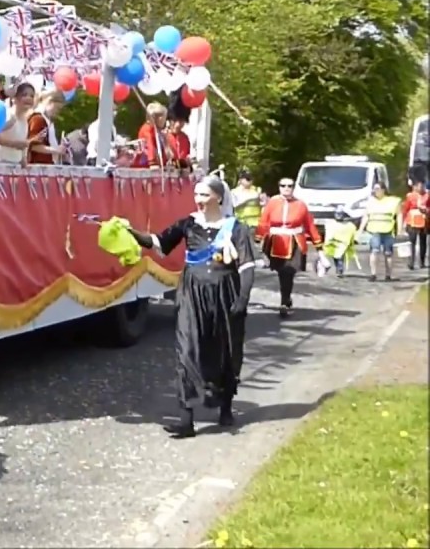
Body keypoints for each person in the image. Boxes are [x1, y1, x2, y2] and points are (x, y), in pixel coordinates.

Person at [120, 175, 256, 437]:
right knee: (187, 350)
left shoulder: (235, 228)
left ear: (218, 196)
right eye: (196, 195)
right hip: (191, 293)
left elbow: (247, 267)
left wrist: (242, 300)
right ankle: (186, 419)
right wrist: (131, 233)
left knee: (223, 348)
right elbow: (159, 242)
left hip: (224, 293)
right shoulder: (188, 224)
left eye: (204, 195)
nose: (199, 200)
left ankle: (225, 403)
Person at [256, 177, 323, 318]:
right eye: (283, 185)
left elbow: (310, 225)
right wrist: (258, 241)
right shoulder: (272, 203)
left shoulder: (301, 205)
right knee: (282, 272)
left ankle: (284, 301)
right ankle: (286, 297)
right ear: (279, 187)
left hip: (294, 243)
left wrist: (318, 246)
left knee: (288, 272)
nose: (286, 188)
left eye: (290, 186)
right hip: (276, 242)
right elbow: (263, 223)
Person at [358, 181, 402, 282]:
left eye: (378, 189)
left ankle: (388, 275)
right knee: (374, 252)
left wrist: (399, 229)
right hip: (374, 230)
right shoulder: (370, 201)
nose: (375, 191)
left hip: (388, 230)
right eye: (374, 189)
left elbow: (399, 215)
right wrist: (360, 229)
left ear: (383, 190)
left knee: (388, 253)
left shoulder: (393, 201)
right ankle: (373, 274)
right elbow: (366, 216)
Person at [0, 81, 35, 164]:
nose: (29, 98)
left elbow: (22, 142)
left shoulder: (25, 120)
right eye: (24, 95)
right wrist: (13, 144)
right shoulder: (7, 115)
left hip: (13, 165)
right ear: (14, 99)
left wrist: (23, 157)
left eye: (32, 96)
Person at [26, 88, 66, 165]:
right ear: (50, 102)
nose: (58, 111)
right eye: (57, 108)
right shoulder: (38, 119)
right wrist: (56, 150)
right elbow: (33, 146)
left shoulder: (47, 121)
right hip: (37, 165)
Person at [320, 206, 358, 278]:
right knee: (335, 257)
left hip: (343, 244)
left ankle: (340, 270)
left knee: (340, 256)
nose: (338, 216)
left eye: (340, 214)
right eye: (337, 214)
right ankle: (338, 268)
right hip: (333, 243)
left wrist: (353, 240)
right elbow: (328, 233)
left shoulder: (348, 225)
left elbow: (351, 232)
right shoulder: (331, 224)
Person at [402, 178, 428, 270]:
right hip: (412, 221)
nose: (421, 188)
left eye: (423, 186)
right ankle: (411, 262)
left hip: (424, 221)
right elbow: (405, 209)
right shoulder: (410, 196)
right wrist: (404, 221)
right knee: (411, 242)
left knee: (423, 242)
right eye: (419, 186)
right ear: (415, 187)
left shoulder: (427, 195)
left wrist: (426, 210)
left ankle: (422, 261)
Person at [136, 102, 173, 168]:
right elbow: (150, 146)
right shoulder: (147, 129)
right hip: (145, 164)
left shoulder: (160, 131)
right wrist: (152, 162)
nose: (165, 120)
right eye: (164, 118)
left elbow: (166, 149)